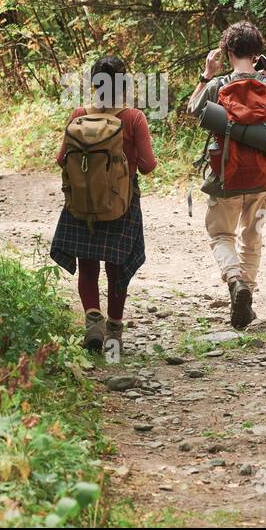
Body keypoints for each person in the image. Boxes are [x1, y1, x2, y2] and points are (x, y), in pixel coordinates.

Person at [51, 56, 157, 355]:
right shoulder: (133, 117)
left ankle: (92, 322)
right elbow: (148, 166)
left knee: (87, 266)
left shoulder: (79, 114)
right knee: (116, 270)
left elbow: (61, 160)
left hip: (82, 204)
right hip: (121, 204)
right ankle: (113, 334)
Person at [188, 21, 266, 329]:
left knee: (221, 235)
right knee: (253, 238)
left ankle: (235, 283)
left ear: (228, 52)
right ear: (257, 52)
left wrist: (207, 74)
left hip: (224, 178)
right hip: (261, 178)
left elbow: (194, 110)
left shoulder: (218, 86)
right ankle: (248, 295)